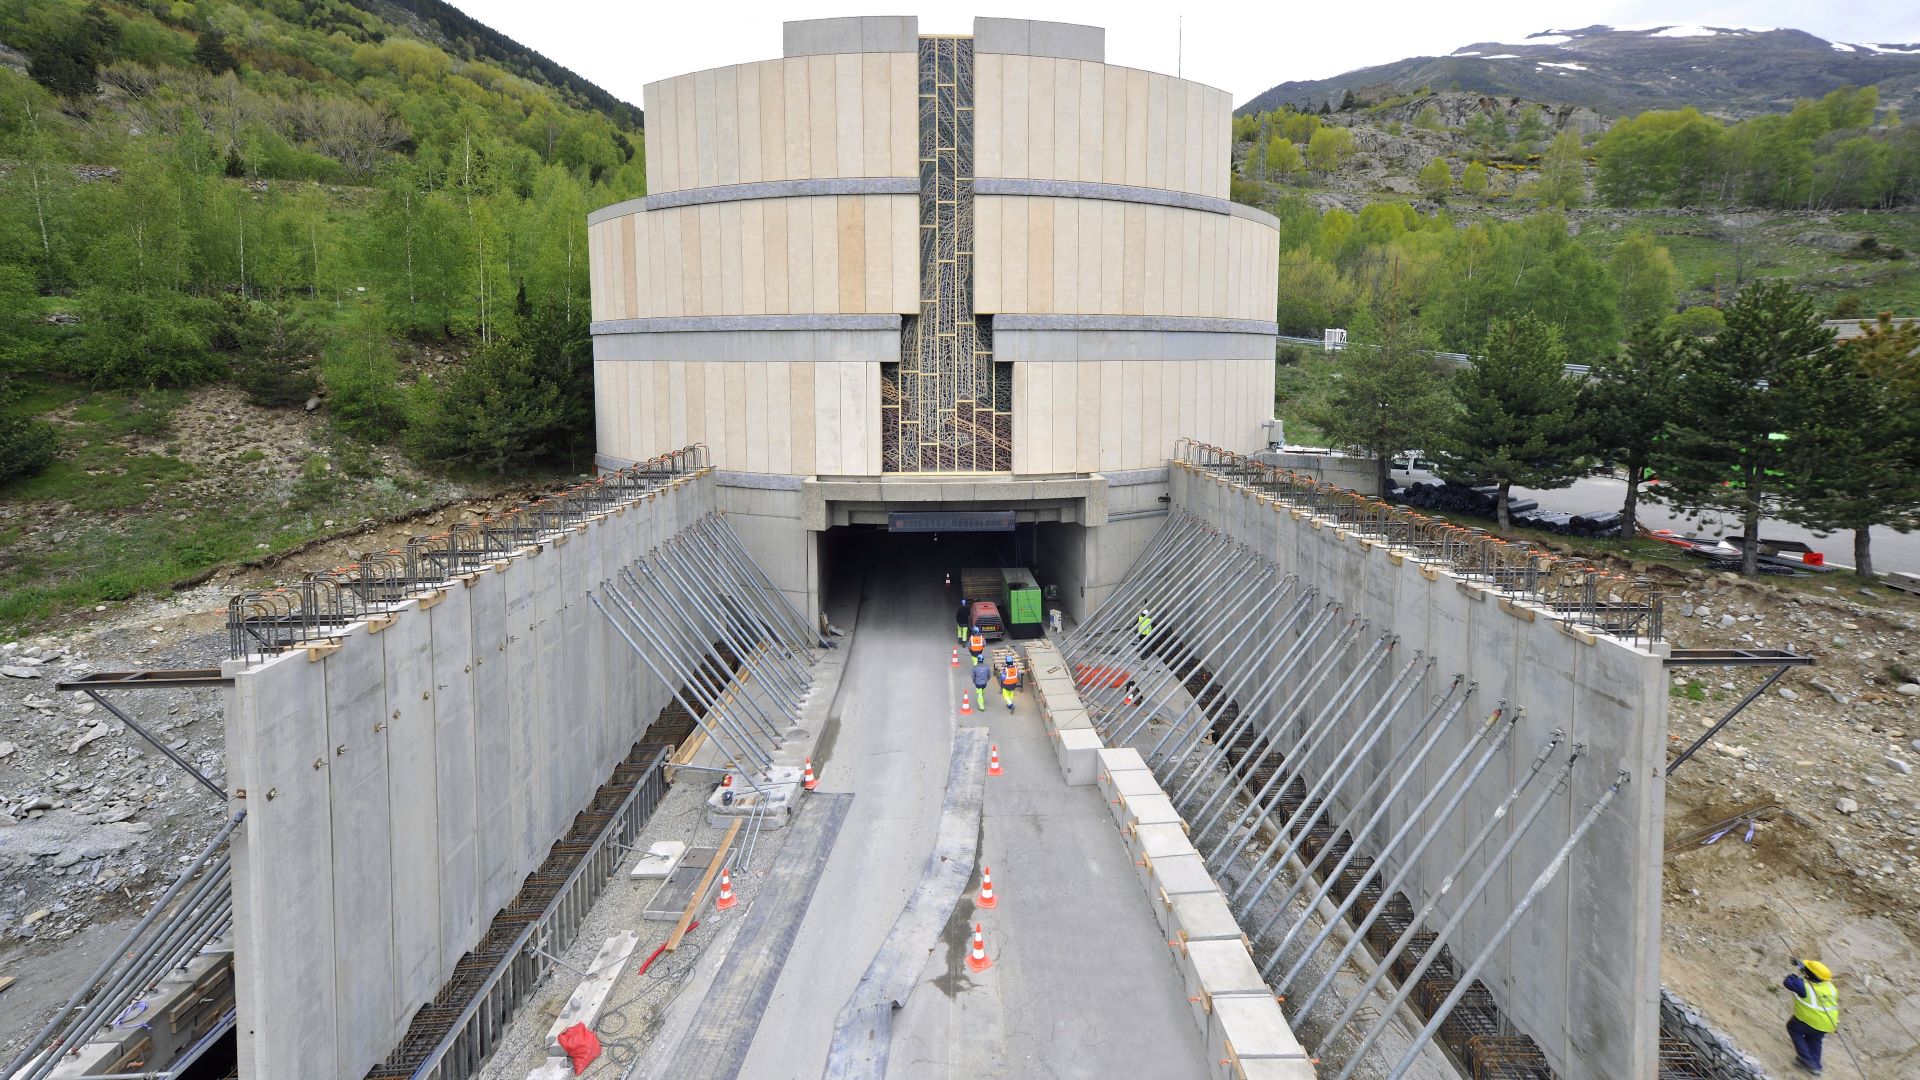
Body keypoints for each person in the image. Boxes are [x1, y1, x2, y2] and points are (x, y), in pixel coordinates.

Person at [1782, 958, 1839, 1074]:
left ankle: (1806, 1059)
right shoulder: (1831, 988)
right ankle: (1816, 1066)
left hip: (1810, 1020)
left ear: (1809, 974)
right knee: (1814, 1041)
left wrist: (1795, 974)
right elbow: (1815, 973)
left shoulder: (1803, 986)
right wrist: (1802, 964)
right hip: (1827, 1023)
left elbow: (1788, 982)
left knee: (1793, 1028)